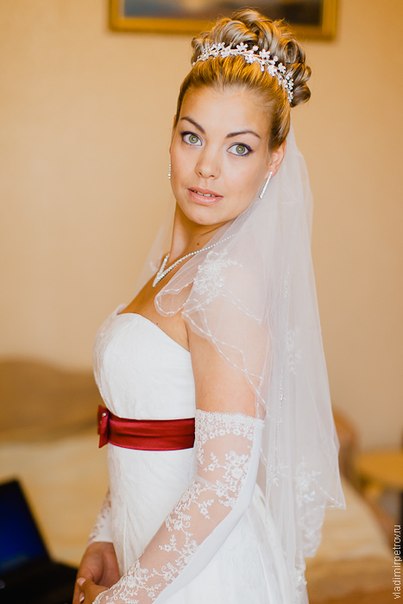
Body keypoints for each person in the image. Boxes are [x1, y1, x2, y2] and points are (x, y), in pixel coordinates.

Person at [74, 8, 345, 604]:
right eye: (192, 136)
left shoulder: (228, 283)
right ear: (170, 136)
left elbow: (222, 487)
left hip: (205, 581)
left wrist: (123, 599)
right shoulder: (171, 268)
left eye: (239, 147)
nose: (207, 167)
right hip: (146, 556)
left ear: (273, 161)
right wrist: (106, 534)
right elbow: (148, 424)